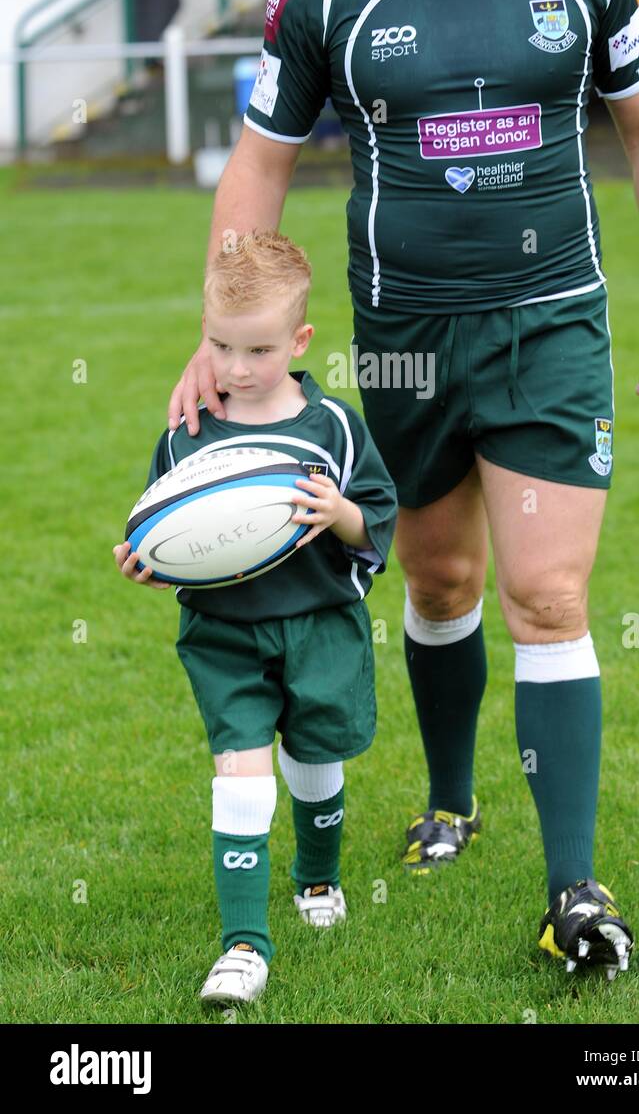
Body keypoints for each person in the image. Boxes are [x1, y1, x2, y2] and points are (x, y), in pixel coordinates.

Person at [168, 0, 639, 981]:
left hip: (548, 322)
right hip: (404, 337)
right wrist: (221, 329)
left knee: (548, 596)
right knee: (438, 577)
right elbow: (259, 161)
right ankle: (452, 798)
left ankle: (570, 884)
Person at [113, 230, 397, 1005]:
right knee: (240, 777)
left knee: (315, 758)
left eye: (259, 351)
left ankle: (316, 879)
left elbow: (375, 517)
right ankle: (243, 946)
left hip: (319, 622)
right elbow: (160, 535)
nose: (237, 369)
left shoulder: (333, 427)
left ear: (299, 341)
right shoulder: (188, 435)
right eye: (221, 347)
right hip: (223, 634)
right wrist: (143, 563)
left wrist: (338, 512)